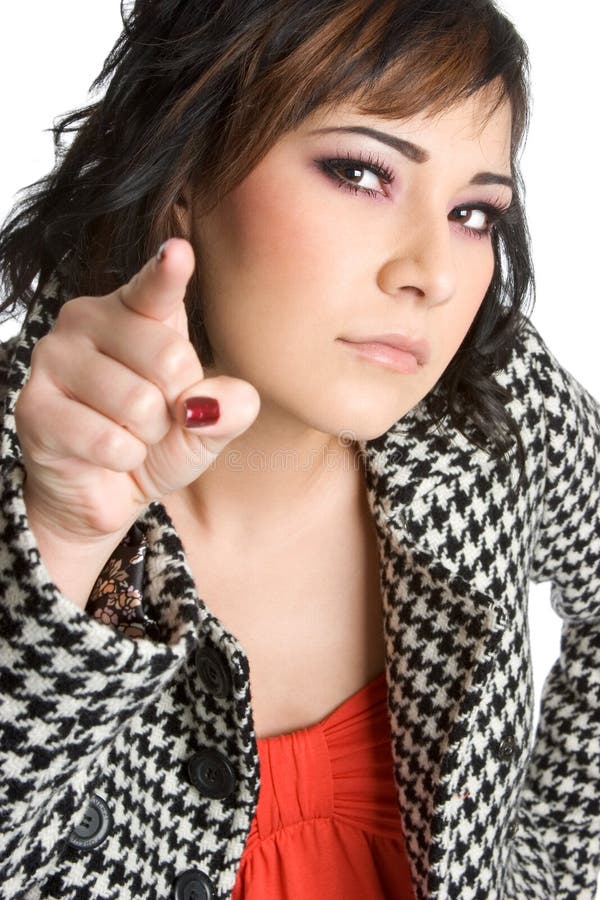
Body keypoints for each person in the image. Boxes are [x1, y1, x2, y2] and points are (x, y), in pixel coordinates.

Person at [0, 0, 598, 898]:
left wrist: (551, 872)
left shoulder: (495, 410)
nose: (431, 273)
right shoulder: (34, 450)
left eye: (475, 213)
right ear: (186, 175)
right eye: (361, 172)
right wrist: (62, 542)